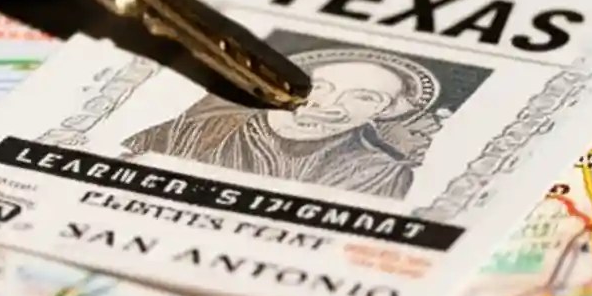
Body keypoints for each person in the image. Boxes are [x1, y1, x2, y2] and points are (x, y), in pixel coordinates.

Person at [120, 47, 445, 200]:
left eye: (364, 98)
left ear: (383, 113)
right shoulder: (189, 133)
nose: (328, 107)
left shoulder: (381, 173)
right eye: (320, 87)